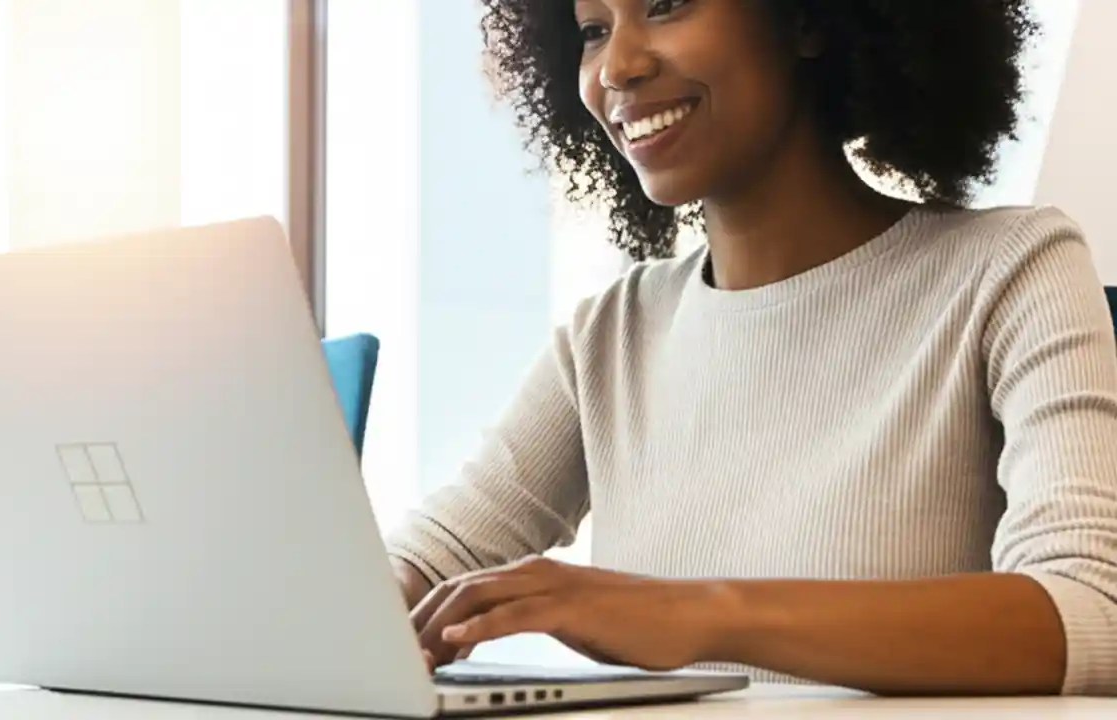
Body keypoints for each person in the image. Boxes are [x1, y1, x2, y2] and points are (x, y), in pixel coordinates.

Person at [386, 0, 1117, 696]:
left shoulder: (1010, 271)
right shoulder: (611, 332)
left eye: (667, 5)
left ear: (804, 18)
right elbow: (425, 560)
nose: (618, 66)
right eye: (591, 30)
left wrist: (699, 615)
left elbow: (1090, 614)